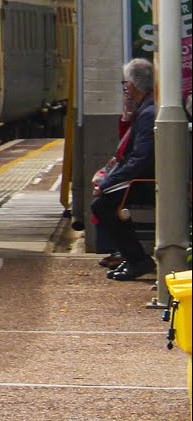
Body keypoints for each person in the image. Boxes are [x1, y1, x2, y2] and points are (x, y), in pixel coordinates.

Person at [91, 58, 157, 281]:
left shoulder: (147, 113)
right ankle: (132, 258)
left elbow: (139, 158)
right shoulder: (147, 108)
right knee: (104, 202)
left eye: (125, 83)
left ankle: (137, 259)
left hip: (146, 182)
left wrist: (106, 184)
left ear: (132, 85)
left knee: (102, 204)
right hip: (147, 178)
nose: (124, 88)